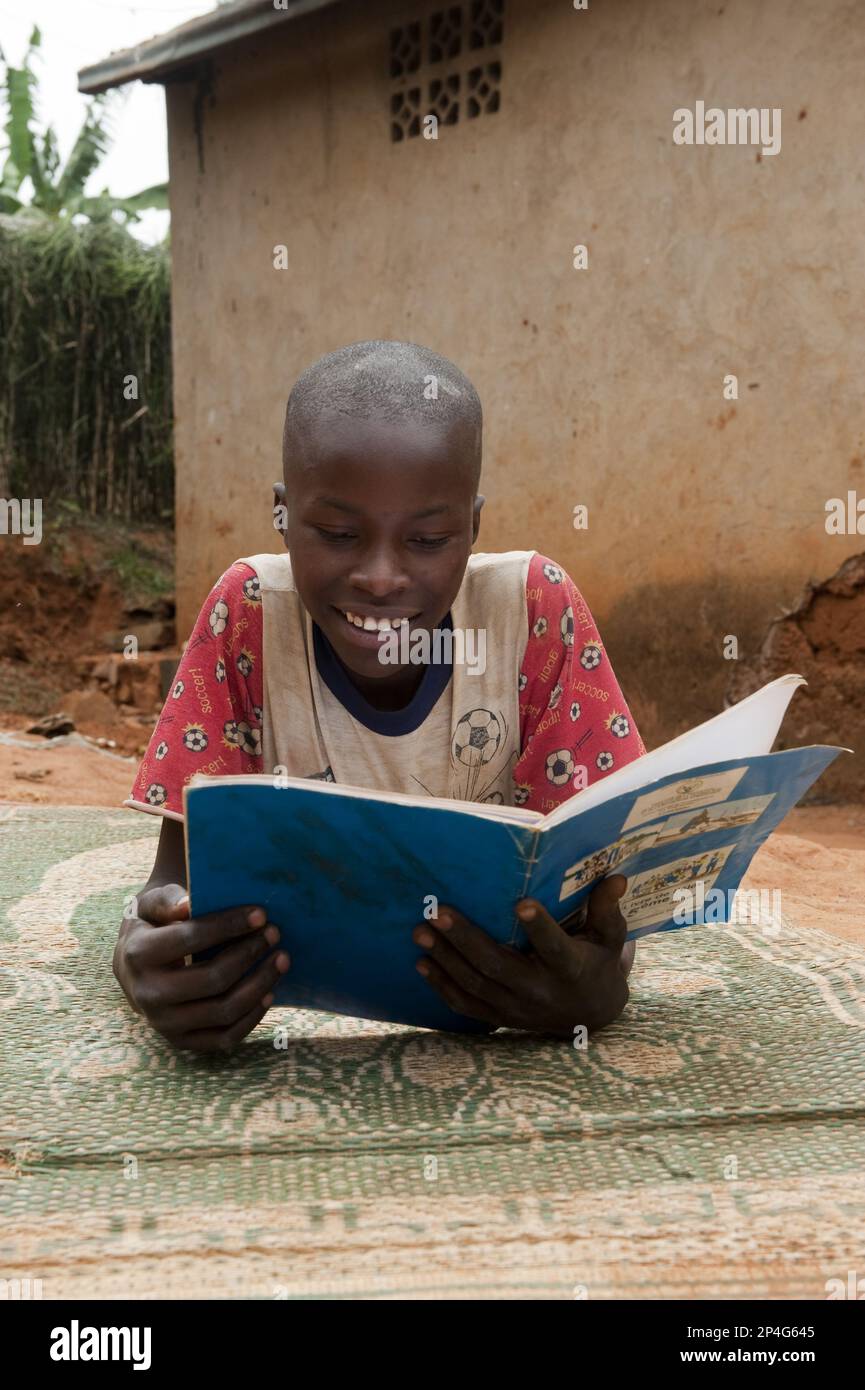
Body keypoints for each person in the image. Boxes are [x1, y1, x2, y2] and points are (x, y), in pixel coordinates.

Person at [114, 340, 645, 1052]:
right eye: (337, 533)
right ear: (281, 515)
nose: (381, 576)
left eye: (428, 539)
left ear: (473, 528)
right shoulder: (247, 616)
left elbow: (606, 907)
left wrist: (597, 991)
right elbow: (169, 892)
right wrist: (146, 966)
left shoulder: (532, 612)